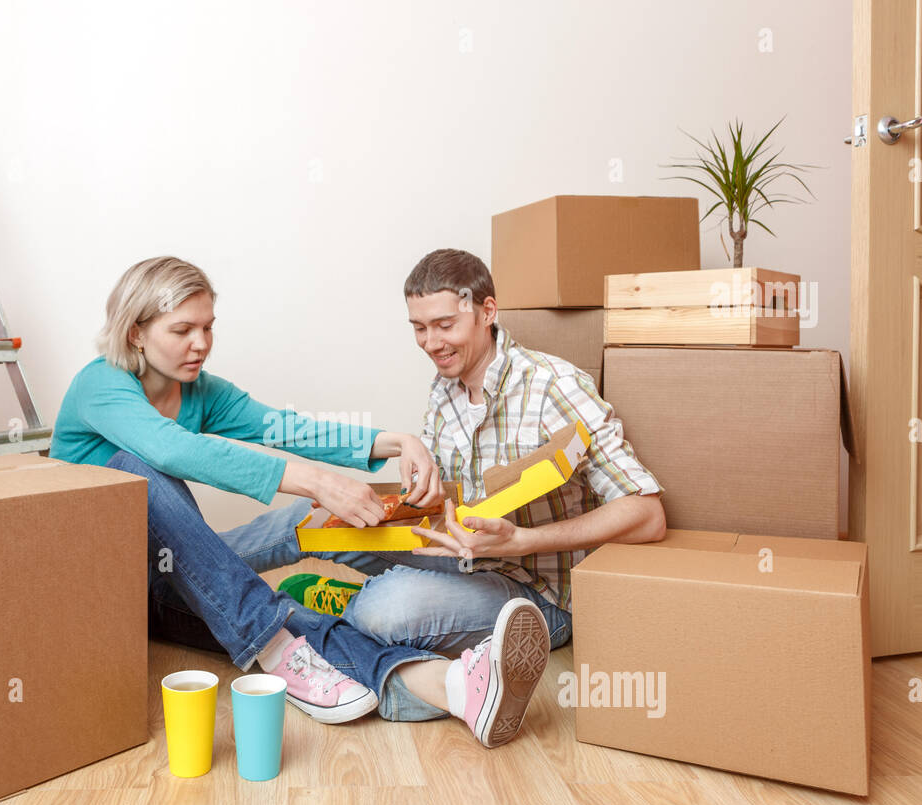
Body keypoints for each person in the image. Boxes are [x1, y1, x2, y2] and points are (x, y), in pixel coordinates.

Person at [50, 256, 551, 748]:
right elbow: (173, 449)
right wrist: (315, 481)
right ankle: (276, 647)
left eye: (208, 327)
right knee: (140, 472)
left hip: (174, 575)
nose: (200, 344)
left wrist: (393, 441)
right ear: (136, 333)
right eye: (182, 330)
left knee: (278, 599)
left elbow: (286, 428)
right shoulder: (101, 384)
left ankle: (445, 687)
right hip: (97, 589)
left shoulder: (197, 390)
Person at [217, 248, 668, 723]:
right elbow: (450, 506)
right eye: (419, 328)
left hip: (539, 594)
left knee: (384, 609)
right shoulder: (444, 389)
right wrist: (422, 498)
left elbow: (648, 513)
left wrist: (522, 541)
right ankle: (173, 575)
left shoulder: (555, 387)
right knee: (313, 515)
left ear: (487, 312)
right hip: (458, 555)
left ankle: (339, 605)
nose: (432, 342)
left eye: (445, 324)